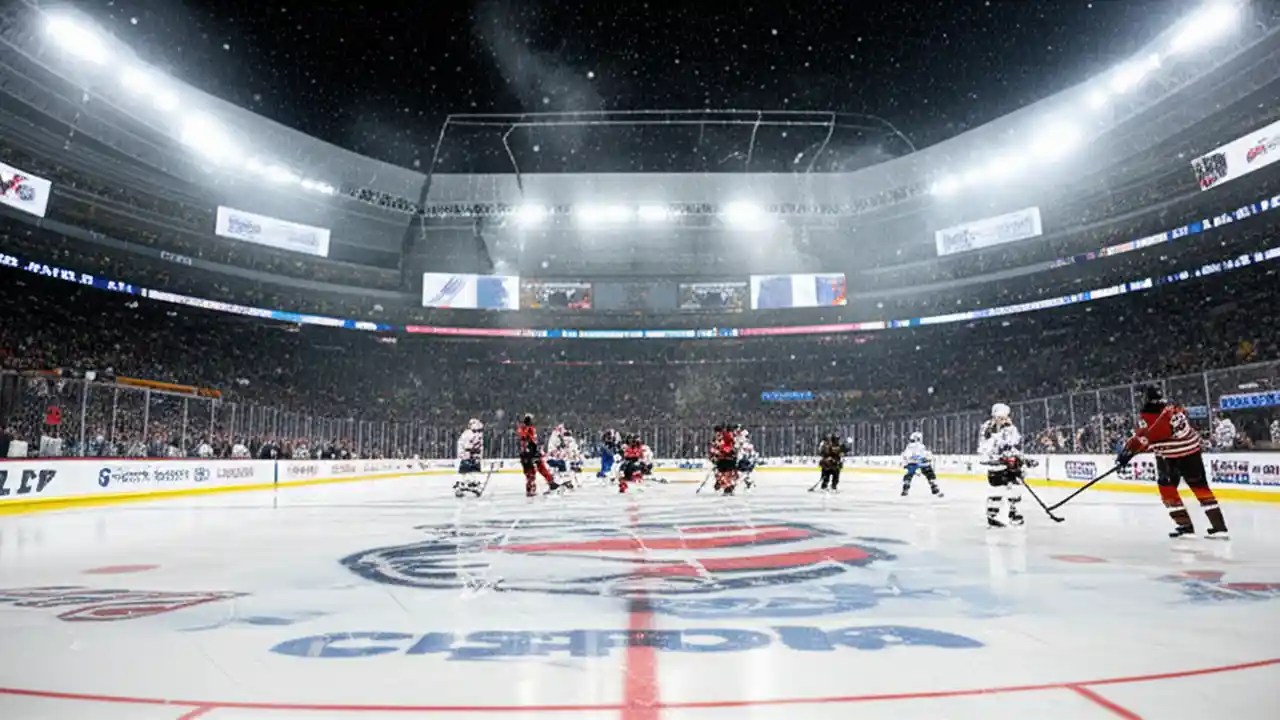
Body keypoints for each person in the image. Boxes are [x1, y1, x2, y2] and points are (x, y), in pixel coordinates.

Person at [1117, 386, 1228, 538]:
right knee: (1200, 487)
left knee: (1167, 489)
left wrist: (1128, 453)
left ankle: (1185, 526)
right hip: (1192, 451)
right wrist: (1127, 452)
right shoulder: (1171, 407)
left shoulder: (1151, 414)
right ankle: (1219, 527)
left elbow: (1147, 438)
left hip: (1170, 456)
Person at [978, 403, 1034, 528]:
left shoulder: (1010, 428)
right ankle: (992, 514)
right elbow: (985, 448)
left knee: (1015, 488)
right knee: (996, 490)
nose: (1003, 420)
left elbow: (1013, 445)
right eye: (1000, 417)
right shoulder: (987, 428)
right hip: (996, 465)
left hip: (1009, 464)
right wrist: (997, 457)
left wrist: (1022, 459)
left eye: (1004, 417)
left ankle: (1014, 514)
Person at [517, 414, 557, 497]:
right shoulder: (525, 429)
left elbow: (531, 441)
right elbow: (525, 438)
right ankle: (532, 487)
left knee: (537, 468)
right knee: (532, 471)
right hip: (528, 454)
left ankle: (548, 482)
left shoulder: (528, 429)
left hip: (530, 453)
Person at [901, 431, 943, 497]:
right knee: (929, 473)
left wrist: (906, 464)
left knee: (909, 474)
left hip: (911, 462)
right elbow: (925, 454)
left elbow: (905, 455)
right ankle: (933, 485)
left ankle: (906, 485)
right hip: (921, 461)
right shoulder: (921, 446)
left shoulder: (908, 446)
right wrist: (928, 459)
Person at [454, 418, 486, 498]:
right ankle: (466, 483)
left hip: (473, 456)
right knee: (466, 470)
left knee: (472, 470)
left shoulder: (477, 435)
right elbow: (466, 446)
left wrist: (478, 455)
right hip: (467, 456)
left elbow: (479, 447)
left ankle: (472, 483)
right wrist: (468, 452)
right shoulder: (467, 434)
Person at [709, 424, 739, 495]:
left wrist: (728, 451)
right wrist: (713, 456)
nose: (717, 433)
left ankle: (727, 486)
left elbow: (731, 446)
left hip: (727, 458)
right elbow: (714, 448)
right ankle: (726, 485)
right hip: (723, 459)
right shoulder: (719, 437)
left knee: (727, 473)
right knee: (724, 473)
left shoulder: (726, 436)